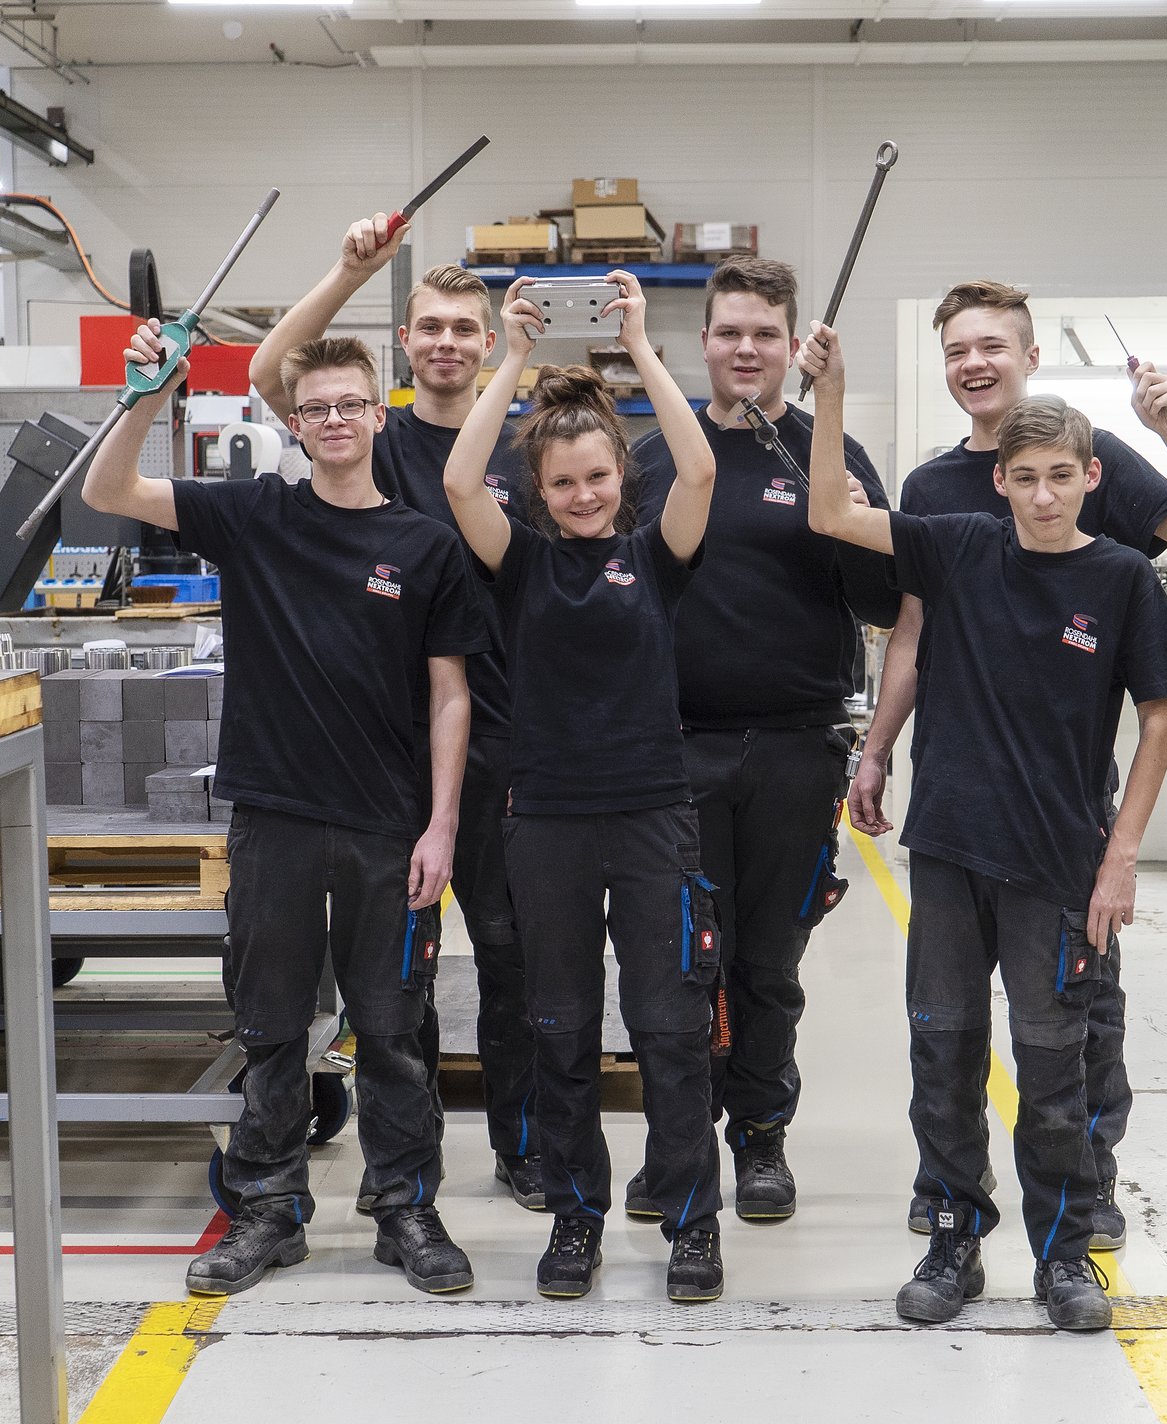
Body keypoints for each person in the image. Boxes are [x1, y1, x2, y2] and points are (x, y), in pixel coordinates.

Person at [800, 320, 1167, 1331]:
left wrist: (1119, 859)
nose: (1042, 494)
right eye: (1023, 475)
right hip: (948, 851)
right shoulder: (958, 545)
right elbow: (830, 510)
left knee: (1051, 1063)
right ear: (1002, 482)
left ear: (1089, 475)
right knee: (942, 1051)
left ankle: (1063, 1255)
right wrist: (832, 393)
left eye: (1060, 474)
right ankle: (952, 1239)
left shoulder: (1118, 580)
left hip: (1057, 863)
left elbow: (1157, 726)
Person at [85, 329, 494, 1298]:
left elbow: (450, 696)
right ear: (294, 422)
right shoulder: (252, 515)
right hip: (272, 817)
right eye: (316, 408)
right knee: (269, 1024)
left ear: (377, 412)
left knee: (392, 1027)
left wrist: (441, 825)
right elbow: (109, 490)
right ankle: (267, 1206)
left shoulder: (423, 543)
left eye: (352, 403)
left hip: (387, 824)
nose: (336, 421)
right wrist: (146, 390)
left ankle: (404, 1207)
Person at [248, 220, 545, 1211]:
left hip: (498, 738)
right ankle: (402, 1170)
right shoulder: (372, 428)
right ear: (404, 346)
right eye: (430, 328)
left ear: (488, 342)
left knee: (505, 953)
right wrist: (349, 271)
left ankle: (519, 1143)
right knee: (394, 981)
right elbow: (266, 370)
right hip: (379, 756)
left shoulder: (525, 440)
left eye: (467, 327)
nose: (449, 343)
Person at [442, 271, 724, 1303]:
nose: (582, 494)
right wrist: (506, 356)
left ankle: (693, 1223)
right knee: (559, 1026)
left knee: (666, 1027)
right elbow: (460, 484)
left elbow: (695, 471)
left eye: (596, 476)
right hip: (546, 823)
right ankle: (574, 1215)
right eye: (562, 483)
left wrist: (644, 348)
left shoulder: (655, 558)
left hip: (653, 816)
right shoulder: (517, 563)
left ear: (617, 474)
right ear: (540, 491)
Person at [629, 257, 898, 1221]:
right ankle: (681, 1150)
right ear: (703, 341)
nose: (747, 350)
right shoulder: (656, 454)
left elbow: (879, 598)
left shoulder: (832, 449)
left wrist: (831, 449)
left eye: (766, 335)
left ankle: (762, 1143)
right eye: (730, 332)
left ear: (794, 346)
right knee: (684, 963)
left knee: (768, 966)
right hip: (677, 752)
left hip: (794, 752)